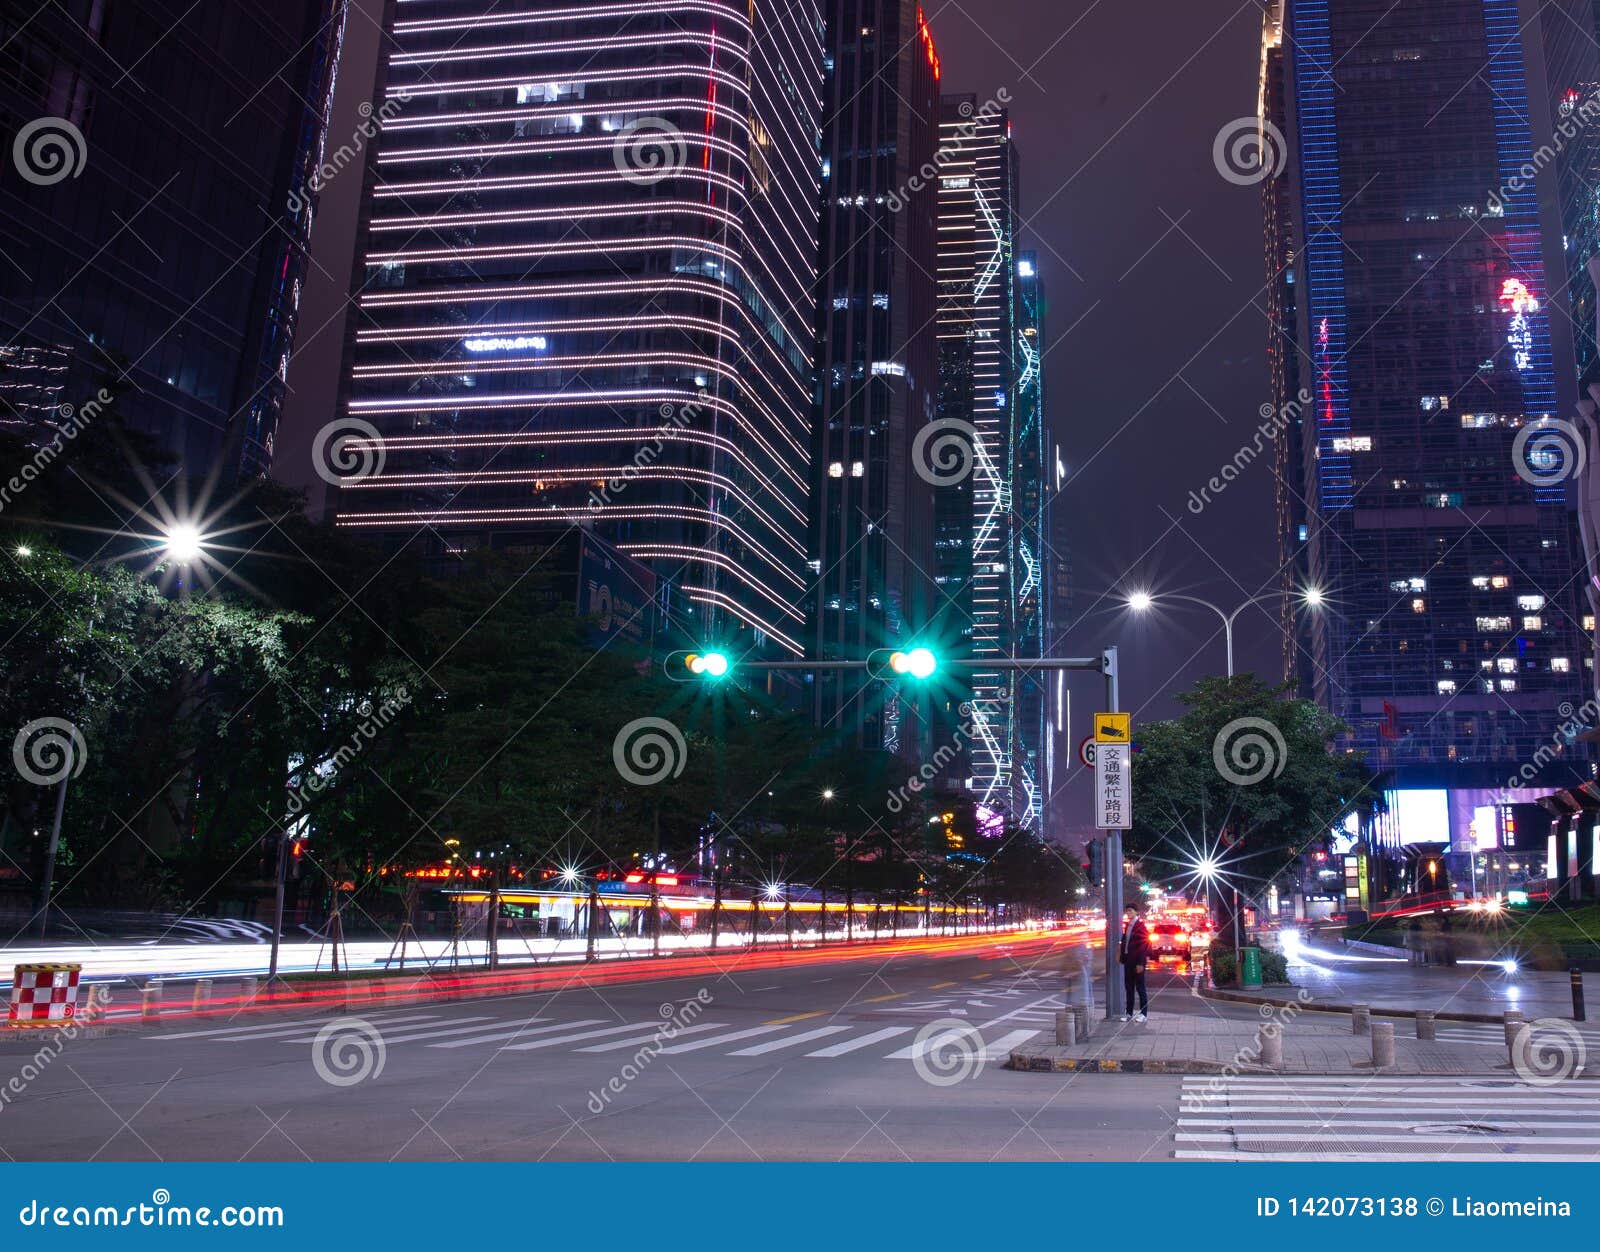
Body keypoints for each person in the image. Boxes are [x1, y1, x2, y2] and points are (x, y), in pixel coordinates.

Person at [1118, 905, 1150, 1022]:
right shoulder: (1128, 925)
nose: (1128, 913)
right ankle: (1129, 1013)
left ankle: (1144, 1014)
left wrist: (1140, 963)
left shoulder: (1140, 926)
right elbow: (1125, 942)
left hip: (1137, 962)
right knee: (1129, 987)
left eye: (1130, 911)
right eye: (1127, 911)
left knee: (1140, 988)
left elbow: (1143, 945)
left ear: (1137, 912)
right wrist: (1122, 956)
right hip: (1128, 961)